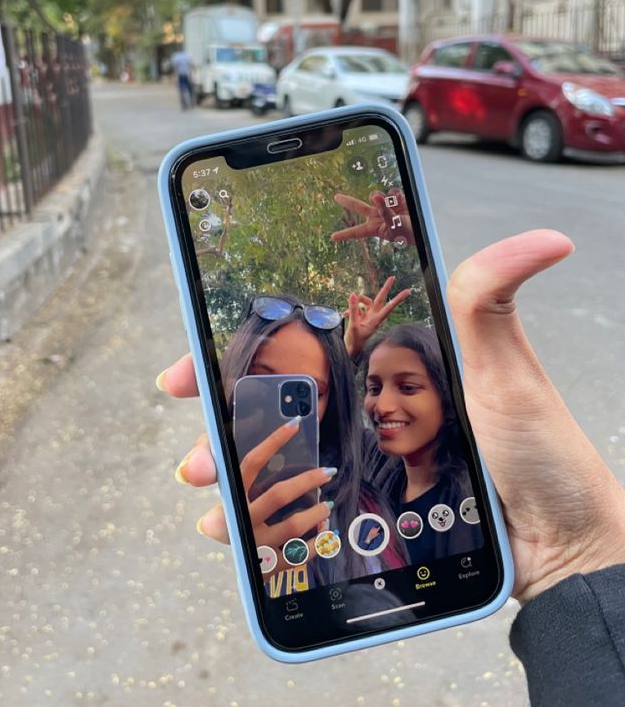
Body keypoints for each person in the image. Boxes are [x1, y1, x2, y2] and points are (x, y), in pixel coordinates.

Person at [157, 231, 625, 705]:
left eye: (307, 392)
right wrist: (283, 574)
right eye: (262, 382)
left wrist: (583, 555)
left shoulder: (371, 473)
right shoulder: (370, 469)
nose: (288, 408)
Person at [214, 294, 406, 591]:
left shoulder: (364, 466)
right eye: (264, 382)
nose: (281, 410)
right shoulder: (211, 471)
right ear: (232, 376)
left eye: (307, 394)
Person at [360, 324, 483, 565]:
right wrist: (352, 349)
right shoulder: (380, 466)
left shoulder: (475, 494)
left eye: (407, 388)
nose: (382, 406)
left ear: (448, 399)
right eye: (374, 388)